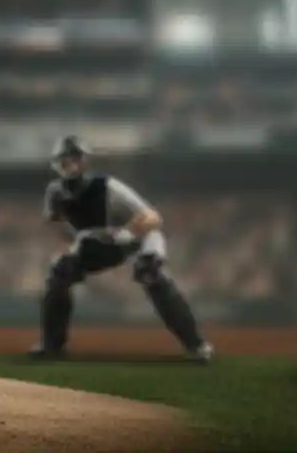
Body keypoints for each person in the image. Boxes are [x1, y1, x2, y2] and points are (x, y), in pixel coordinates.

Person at [30, 135, 213, 361]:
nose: (70, 164)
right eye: (64, 160)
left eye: (74, 158)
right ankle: (52, 345)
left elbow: (152, 217)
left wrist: (125, 233)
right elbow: (56, 224)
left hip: (135, 239)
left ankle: (196, 345)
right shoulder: (55, 193)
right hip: (95, 243)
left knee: (151, 274)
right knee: (58, 274)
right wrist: (73, 246)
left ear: (84, 161)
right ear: (56, 164)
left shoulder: (107, 187)